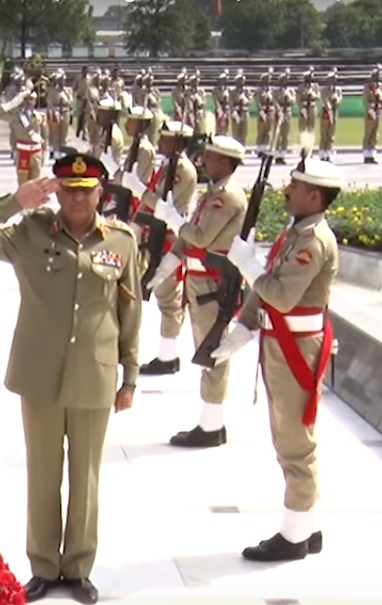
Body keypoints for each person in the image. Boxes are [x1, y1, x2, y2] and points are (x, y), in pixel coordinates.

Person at [0, 153, 141, 604]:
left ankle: (77, 569)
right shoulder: (29, 231)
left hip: (94, 375)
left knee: (87, 477)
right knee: (43, 473)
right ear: (56, 191)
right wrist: (15, 201)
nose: (78, 198)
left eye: (87, 190)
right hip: (39, 374)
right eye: (69, 190)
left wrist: (130, 374)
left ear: (102, 192)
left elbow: (129, 309)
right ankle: (43, 567)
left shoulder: (122, 241)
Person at [210, 156, 345, 561]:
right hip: (283, 341)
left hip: (296, 348)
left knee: (293, 443)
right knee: (292, 437)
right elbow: (268, 289)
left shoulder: (314, 240)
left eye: (296, 187)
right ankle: (310, 523)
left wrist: (247, 264)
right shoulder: (297, 232)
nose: (287, 191)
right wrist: (243, 327)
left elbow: (282, 295)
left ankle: (294, 535)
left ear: (314, 196)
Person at [157, 136, 248, 448]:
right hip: (202, 281)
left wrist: (172, 219)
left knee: (212, 352)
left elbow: (201, 236)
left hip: (213, 283)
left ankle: (211, 426)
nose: (204, 159)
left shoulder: (228, 197)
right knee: (206, 349)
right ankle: (210, 421)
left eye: (211, 156)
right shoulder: (214, 193)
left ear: (226, 162)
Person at [136, 120, 198, 376]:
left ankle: (168, 356)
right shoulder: (168, 166)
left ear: (177, 141)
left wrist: (139, 191)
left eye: (166, 139)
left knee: (170, 300)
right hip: (157, 234)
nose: (160, 142)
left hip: (170, 238)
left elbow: (161, 202)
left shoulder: (182, 169)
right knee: (159, 294)